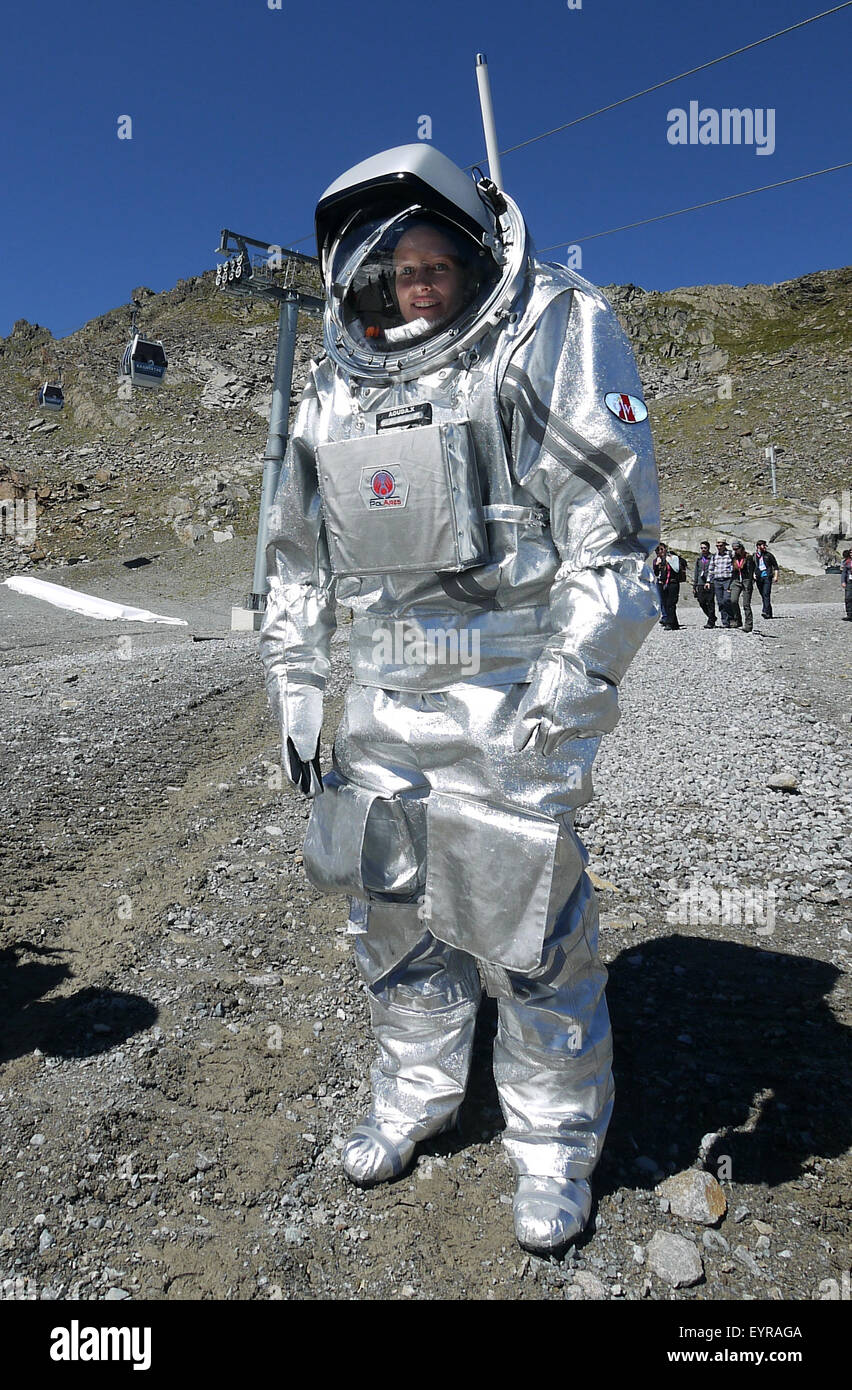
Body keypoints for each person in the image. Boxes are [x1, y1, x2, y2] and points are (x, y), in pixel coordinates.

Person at [258, 144, 661, 1257]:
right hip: (385, 696)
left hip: (510, 685)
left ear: (476, 255)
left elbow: (615, 540)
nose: (413, 290)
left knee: (527, 930)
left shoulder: (550, 328)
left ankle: (552, 1140)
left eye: (433, 264)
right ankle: (418, 1091)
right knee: (388, 919)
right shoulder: (340, 382)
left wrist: (567, 697)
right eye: (390, 275)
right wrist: (297, 680)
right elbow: (293, 556)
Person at [653, 542, 682, 630]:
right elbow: (656, 573)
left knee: (671, 603)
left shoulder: (673, 557)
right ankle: (674, 624)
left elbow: (676, 569)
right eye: (658, 550)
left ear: (666, 549)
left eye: (661, 549)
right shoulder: (657, 560)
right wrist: (656, 565)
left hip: (672, 583)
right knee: (665, 604)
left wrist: (668, 560)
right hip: (662, 584)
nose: (660, 551)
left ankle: (669, 623)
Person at [707, 538, 734, 629]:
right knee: (720, 602)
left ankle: (731, 618)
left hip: (728, 579)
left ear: (725, 545)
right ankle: (725, 621)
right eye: (717, 546)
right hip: (717, 580)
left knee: (727, 599)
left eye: (721, 545)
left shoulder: (730, 554)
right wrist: (708, 581)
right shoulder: (714, 556)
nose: (719, 547)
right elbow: (711, 569)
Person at [729, 541, 756, 633]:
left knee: (746, 604)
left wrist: (750, 582)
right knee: (733, 600)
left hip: (746, 580)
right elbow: (732, 571)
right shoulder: (733, 558)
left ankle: (748, 625)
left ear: (741, 548)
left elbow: (752, 570)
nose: (735, 551)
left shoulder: (749, 557)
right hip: (736, 580)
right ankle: (738, 619)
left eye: (737, 549)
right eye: (734, 549)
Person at [693, 540, 716, 627]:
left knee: (710, 601)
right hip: (700, 582)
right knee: (701, 601)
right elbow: (696, 571)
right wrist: (694, 585)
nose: (703, 549)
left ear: (708, 548)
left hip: (710, 582)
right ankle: (712, 617)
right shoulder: (699, 558)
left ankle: (710, 621)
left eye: (705, 548)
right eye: (702, 548)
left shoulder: (712, 557)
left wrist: (711, 581)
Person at [754, 539, 779, 619]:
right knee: (763, 595)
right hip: (758, 577)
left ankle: (765, 611)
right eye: (763, 545)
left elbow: (775, 566)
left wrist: (776, 576)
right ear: (758, 546)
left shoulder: (769, 555)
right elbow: (752, 566)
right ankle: (769, 613)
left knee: (766, 594)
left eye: (765, 546)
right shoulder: (754, 556)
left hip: (767, 576)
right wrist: (753, 574)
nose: (765, 547)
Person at [842, 549, 852, 621]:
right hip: (849, 582)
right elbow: (844, 573)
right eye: (850, 553)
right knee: (848, 598)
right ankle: (850, 614)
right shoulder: (847, 562)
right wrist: (843, 581)